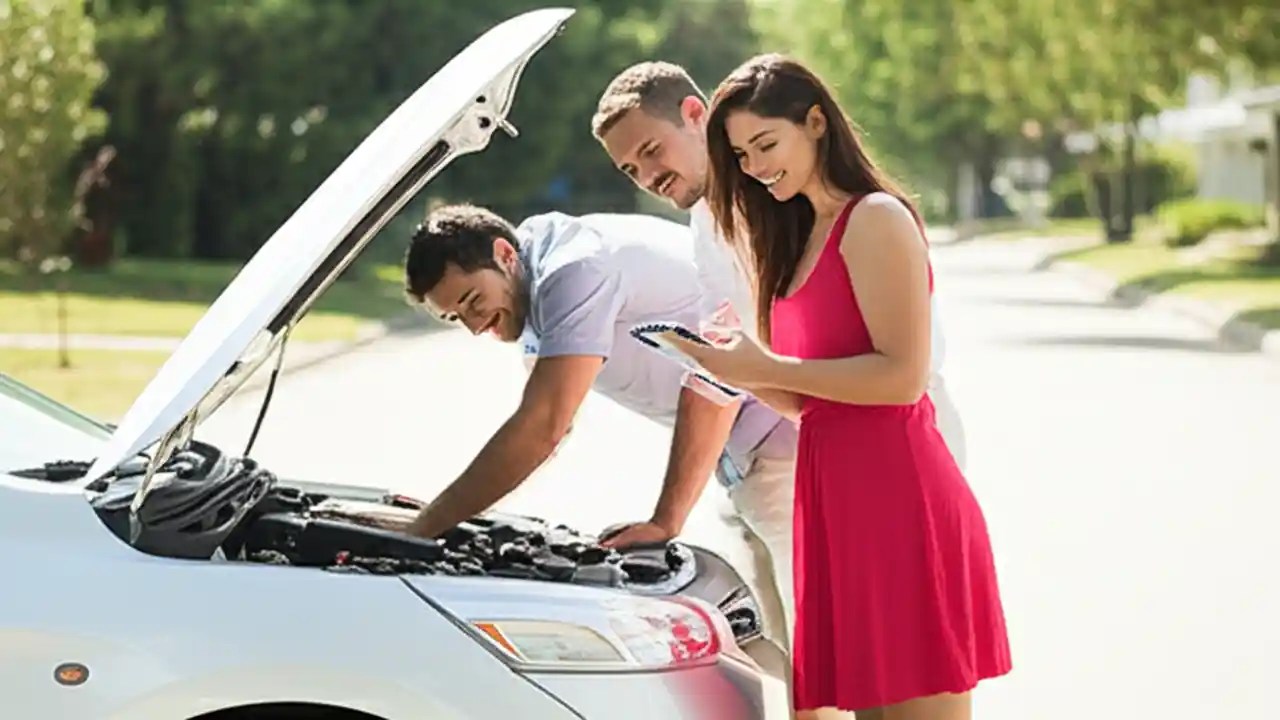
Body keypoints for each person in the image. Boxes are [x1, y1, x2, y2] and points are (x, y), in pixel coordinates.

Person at [661, 54, 1012, 719]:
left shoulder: (875, 218)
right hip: (833, 501)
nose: (757, 166)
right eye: (741, 155)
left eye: (766, 143)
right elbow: (812, 401)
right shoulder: (795, 235)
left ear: (816, 122)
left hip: (900, 498)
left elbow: (902, 379)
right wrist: (733, 370)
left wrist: (761, 369)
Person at [395, 203, 797, 667]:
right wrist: (439, 510)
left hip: (782, 444)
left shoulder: (575, 268)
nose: (473, 325)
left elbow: (541, 427)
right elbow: (543, 419)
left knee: (828, 652)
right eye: (454, 318)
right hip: (749, 453)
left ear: (504, 254)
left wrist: (424, 529)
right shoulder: (538, 272)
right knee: (792, 649)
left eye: (471, 301)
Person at [590, 61, 967, 472]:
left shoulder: (838, 211)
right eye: (630, 170)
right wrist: (722, 364)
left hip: (899, 438)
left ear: (695, 115)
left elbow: (903, 377)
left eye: (652, 151)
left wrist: (763, 370)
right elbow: (766, 367)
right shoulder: (709, 223)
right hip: (820, 441)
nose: (647, 177)